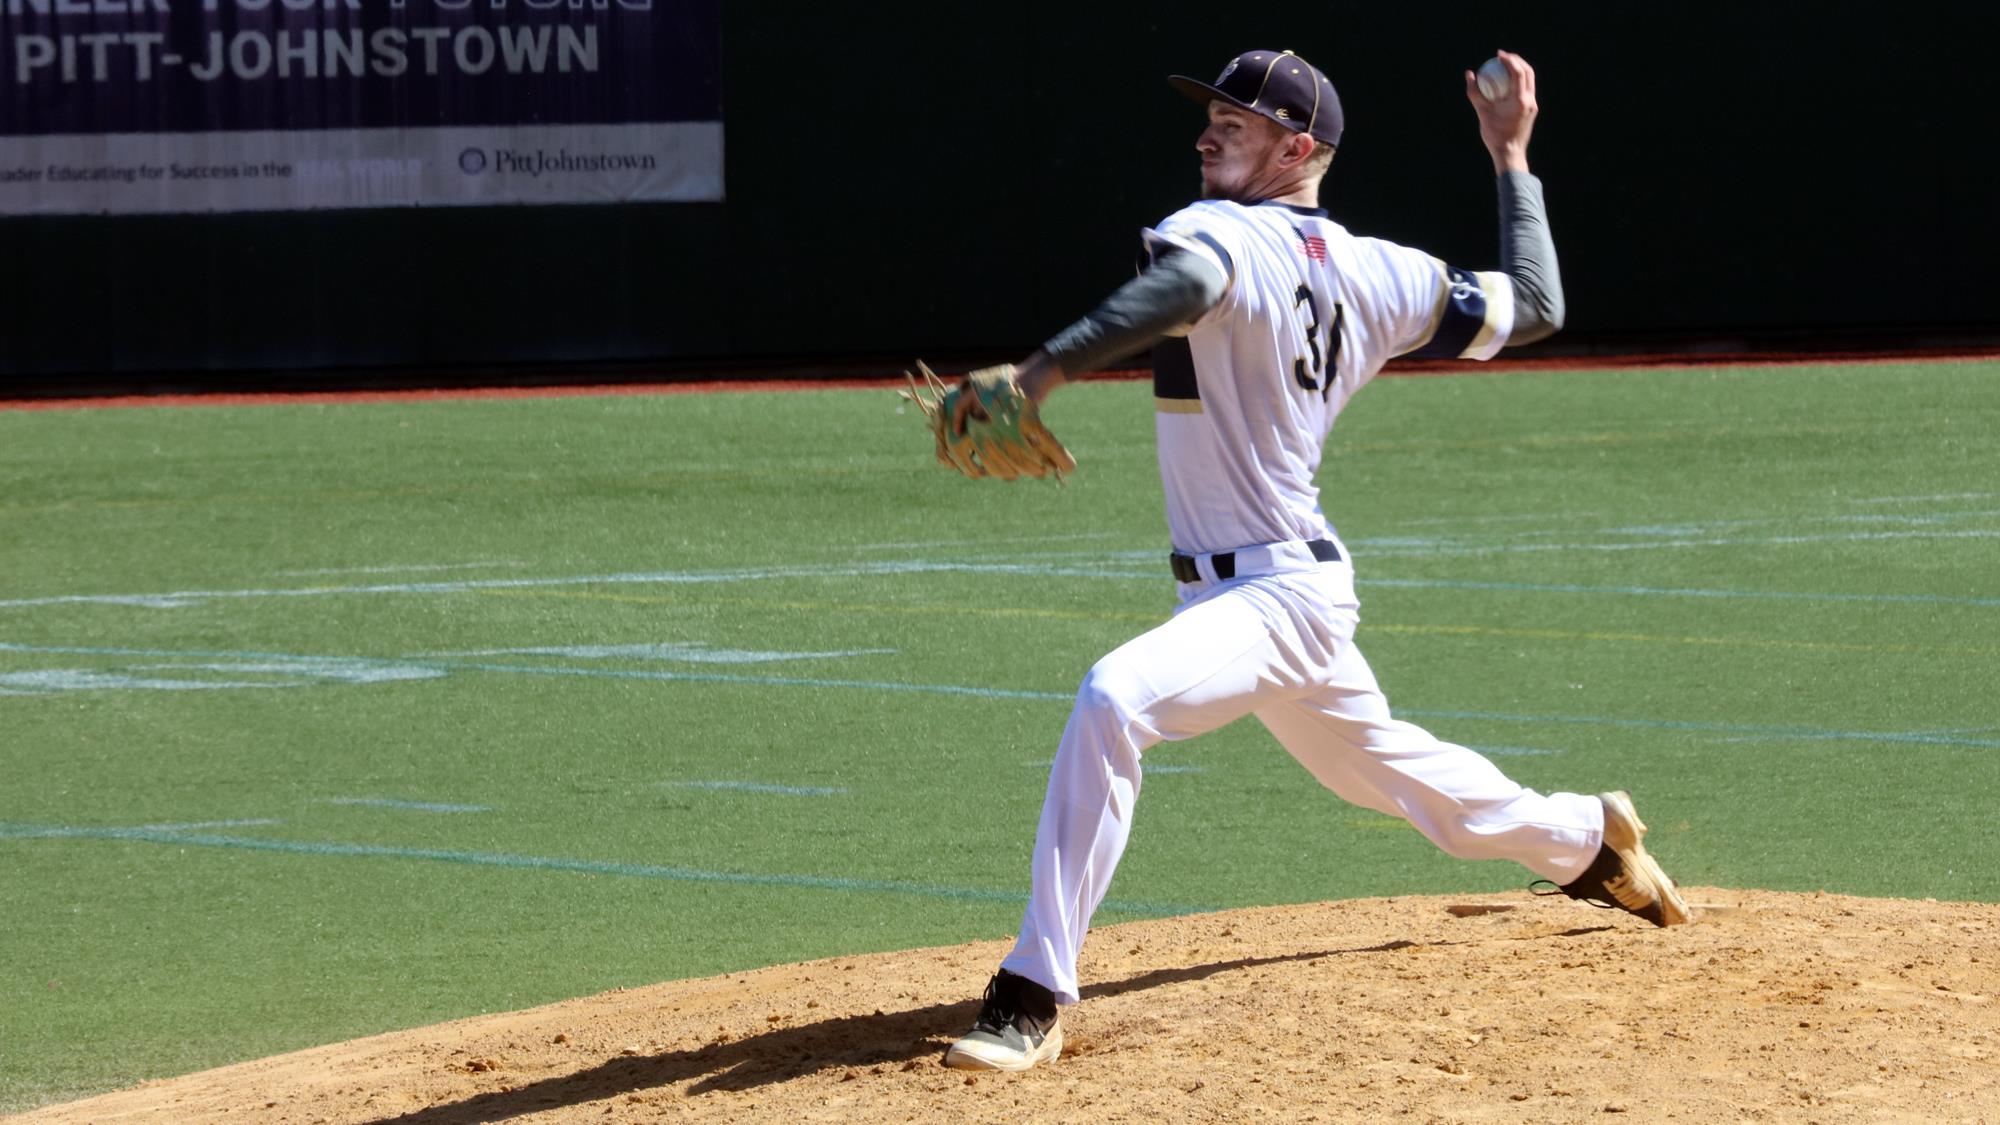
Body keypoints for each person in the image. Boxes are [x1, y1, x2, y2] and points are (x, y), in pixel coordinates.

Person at [939, 49, 1691, 1074]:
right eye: (1210, 117)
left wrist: (1038, 374)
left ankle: (1030, 991)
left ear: (1296, 149)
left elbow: (1189, 282)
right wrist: (1511, 156)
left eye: (1233, 124)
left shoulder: (1220, 232)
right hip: (1289, 590)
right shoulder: (1386, 270)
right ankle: (1585, 839)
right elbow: (1534, 302)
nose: (1206, 134)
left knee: (1114, 699)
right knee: (1389, 776)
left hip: (1275, 594)